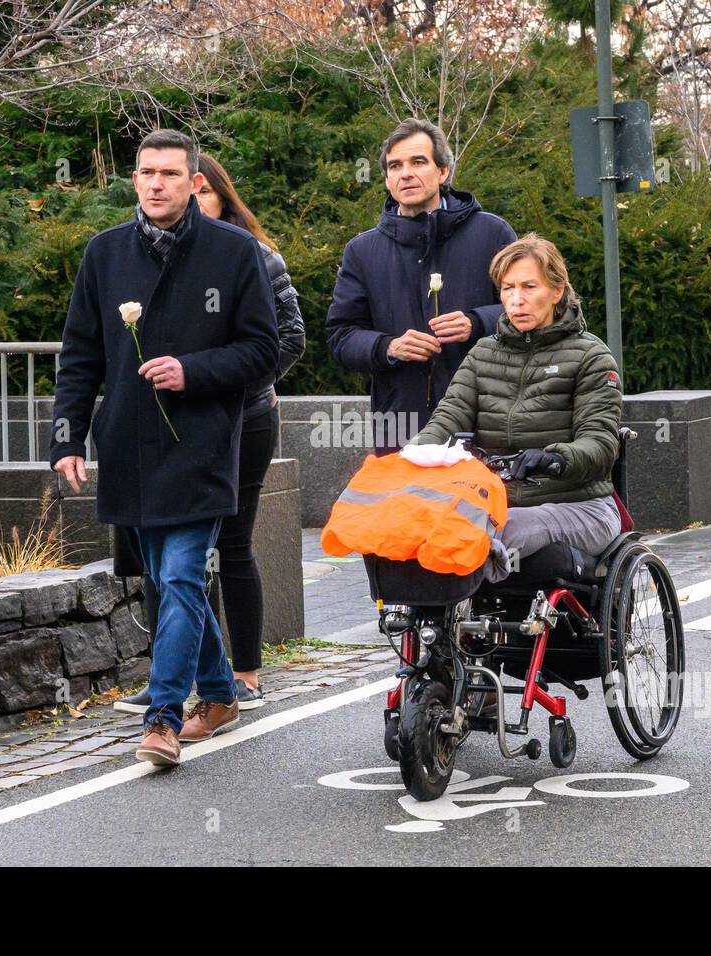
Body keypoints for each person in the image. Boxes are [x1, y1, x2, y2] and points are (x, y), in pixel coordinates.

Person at [50, 129, 278, 766]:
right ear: (135, 180)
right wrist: (67, 435)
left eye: (171, 175)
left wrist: (193, 371)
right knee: (166, 579)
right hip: (127, 444)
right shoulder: (104, 253)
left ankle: (163, 718)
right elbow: (80, 356)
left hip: (203, 444)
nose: (157, 184)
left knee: (180, 574)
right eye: (147, 173)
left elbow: (265, 349)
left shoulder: (234, 253)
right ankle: (223, 690)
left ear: (193, 182)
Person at [113, 153, 305, 714]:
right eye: (154, 179)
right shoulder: (145, 255)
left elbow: (284, 340)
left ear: (214, 193)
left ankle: (243, 671)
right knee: (166, 554)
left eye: (195, 193)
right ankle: (174, 672)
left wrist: (226, 384)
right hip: (169, 422)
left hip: (245, 417)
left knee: (233, 543)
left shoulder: (254, 258)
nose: (180, 201)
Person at [409, 233, 623, 578]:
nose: (517, 300)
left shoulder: (591, 356)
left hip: (578, 505)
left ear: (557, 291)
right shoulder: (482, 354)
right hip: (494, 501)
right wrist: (415, 453)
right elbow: (447, 418)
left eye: (529, 287)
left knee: (506, 527)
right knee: (418, 522)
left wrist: (555, 458)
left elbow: (599, 443)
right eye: (508, 289)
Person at [326, 118, 517, 453]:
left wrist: (476, 322)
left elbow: (528, 310)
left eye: (418, 162)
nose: (406, 174)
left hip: (487, 418)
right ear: (386, 178)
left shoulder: (492, 234)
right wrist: (387, 347)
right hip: (401, 425)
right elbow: (341, 336)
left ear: (443, 172)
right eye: (395, 166)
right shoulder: (362, 251)